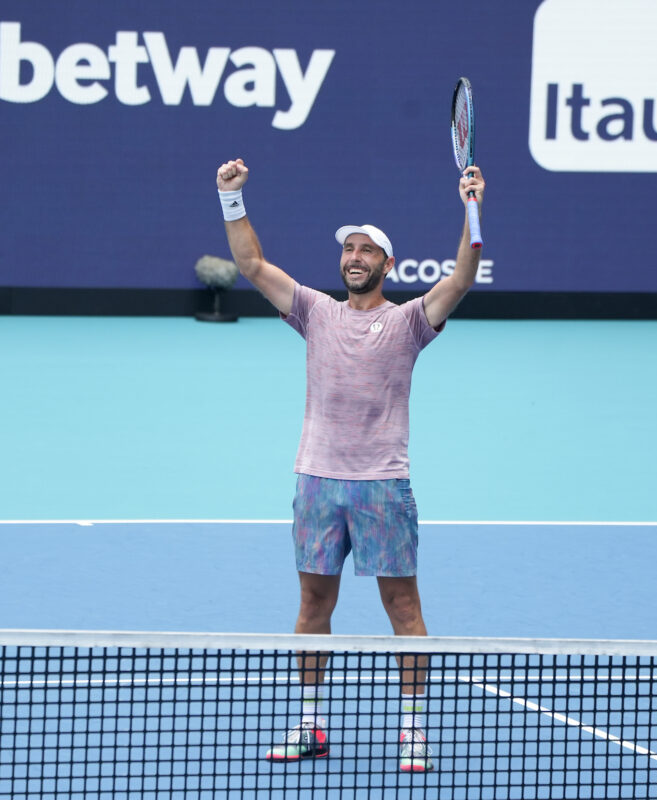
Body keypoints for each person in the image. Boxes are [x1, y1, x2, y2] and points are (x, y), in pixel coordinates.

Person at [215, 157, 485, 772]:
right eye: (348, 251)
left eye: (366, 251)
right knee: (313, 605)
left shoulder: (410, 321)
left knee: (404, 609)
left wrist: (472, 207)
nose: (354, 258)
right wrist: (232, 198)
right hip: (316, 481)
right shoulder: (314, 311)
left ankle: (413, 731)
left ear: (387, 265)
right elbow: (252, 266)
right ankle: (310, 725)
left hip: (383, 487)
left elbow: (461, 281)